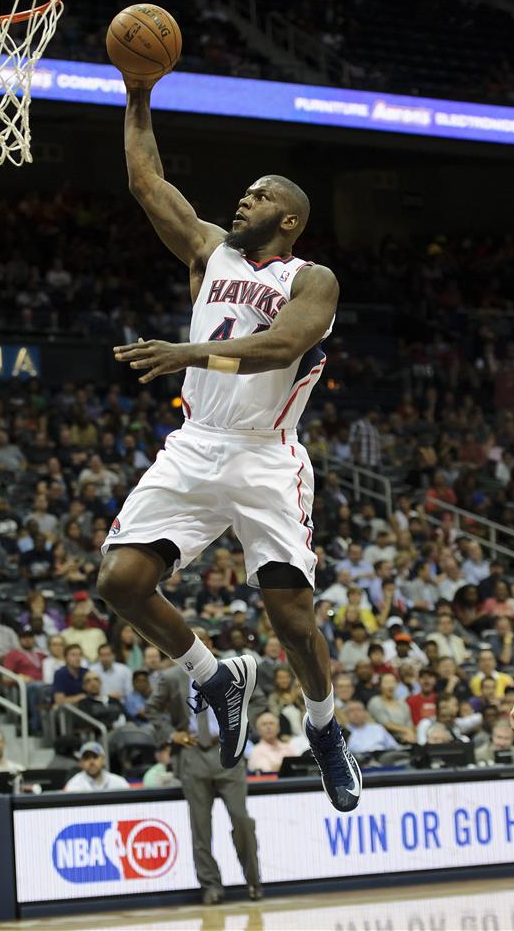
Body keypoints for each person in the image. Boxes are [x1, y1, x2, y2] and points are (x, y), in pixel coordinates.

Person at [98, 75, 360, 812]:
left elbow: (282, 347)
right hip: (195, 445)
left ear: (289, 219)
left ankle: (324, 727)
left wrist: (185, 354)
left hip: (265, 456)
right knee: (119, 583)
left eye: (260, 195)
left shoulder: (312, 279)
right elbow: (146, 179)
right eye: (243, 192)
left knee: (293, 621)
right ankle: (216, 676)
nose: (243, 200)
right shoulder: (211, 251)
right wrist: (138, 90)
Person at [146, 629, 264, 904]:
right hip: (193, 754)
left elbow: (258, 701)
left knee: (241, 820)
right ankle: (211, 886)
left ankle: (253, 881)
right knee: (201, 829)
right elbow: (152, 709)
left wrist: (241, 723)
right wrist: (171, 735)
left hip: (227, 752)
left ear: (209, 644)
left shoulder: (232, 669)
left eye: (200, 641)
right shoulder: (172, 675)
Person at [367, 673, 416, 744]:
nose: (390, 685)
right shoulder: (375, 702)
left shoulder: (402, 703)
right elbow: (386, 724)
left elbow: (409, 723)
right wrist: (407, 730)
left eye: (393, 682)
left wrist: (410, 733)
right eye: (386, 682)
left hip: (406, 737)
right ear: (380, 686)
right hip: (384, 739)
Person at [64, 742, 130, 792]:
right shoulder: (73, 786)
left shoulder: (119, 783)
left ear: (103, 759)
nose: (91, 762)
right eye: (87, 758)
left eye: (95, 757)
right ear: (81, 762)